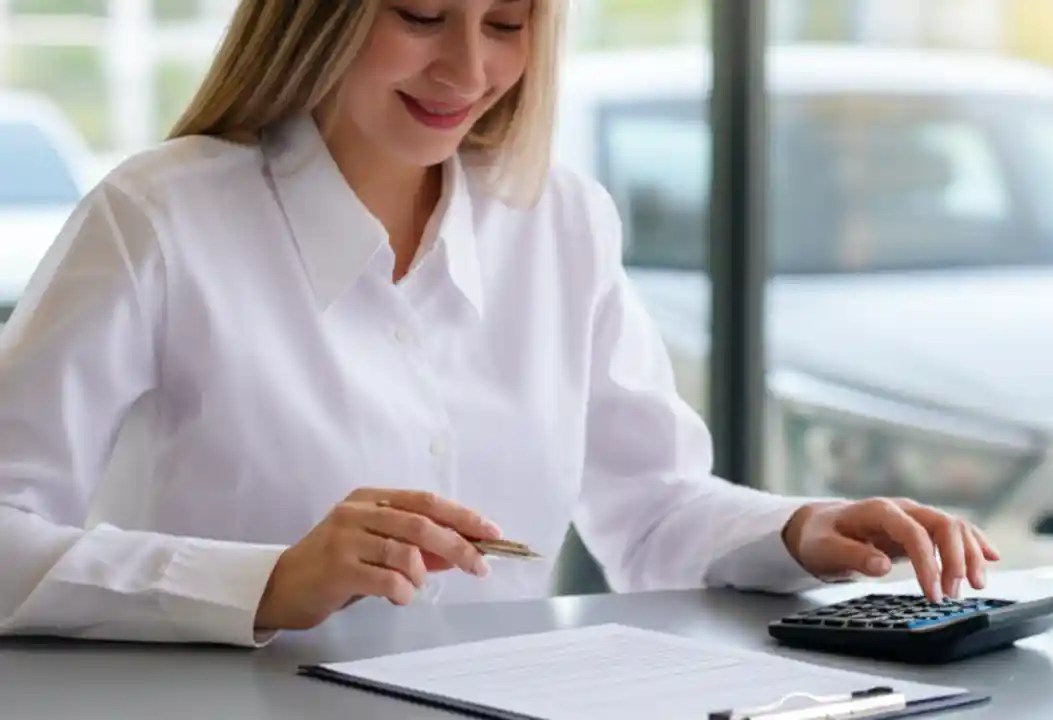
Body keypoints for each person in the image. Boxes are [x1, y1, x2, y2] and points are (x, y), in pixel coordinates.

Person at [0, 0, 999, 647]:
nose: (466, 70)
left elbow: (648, 511)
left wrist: (800, 529)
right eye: (423, 14)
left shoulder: (557, 219)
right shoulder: (160, 218)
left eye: (507, 24)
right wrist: (266, 583)